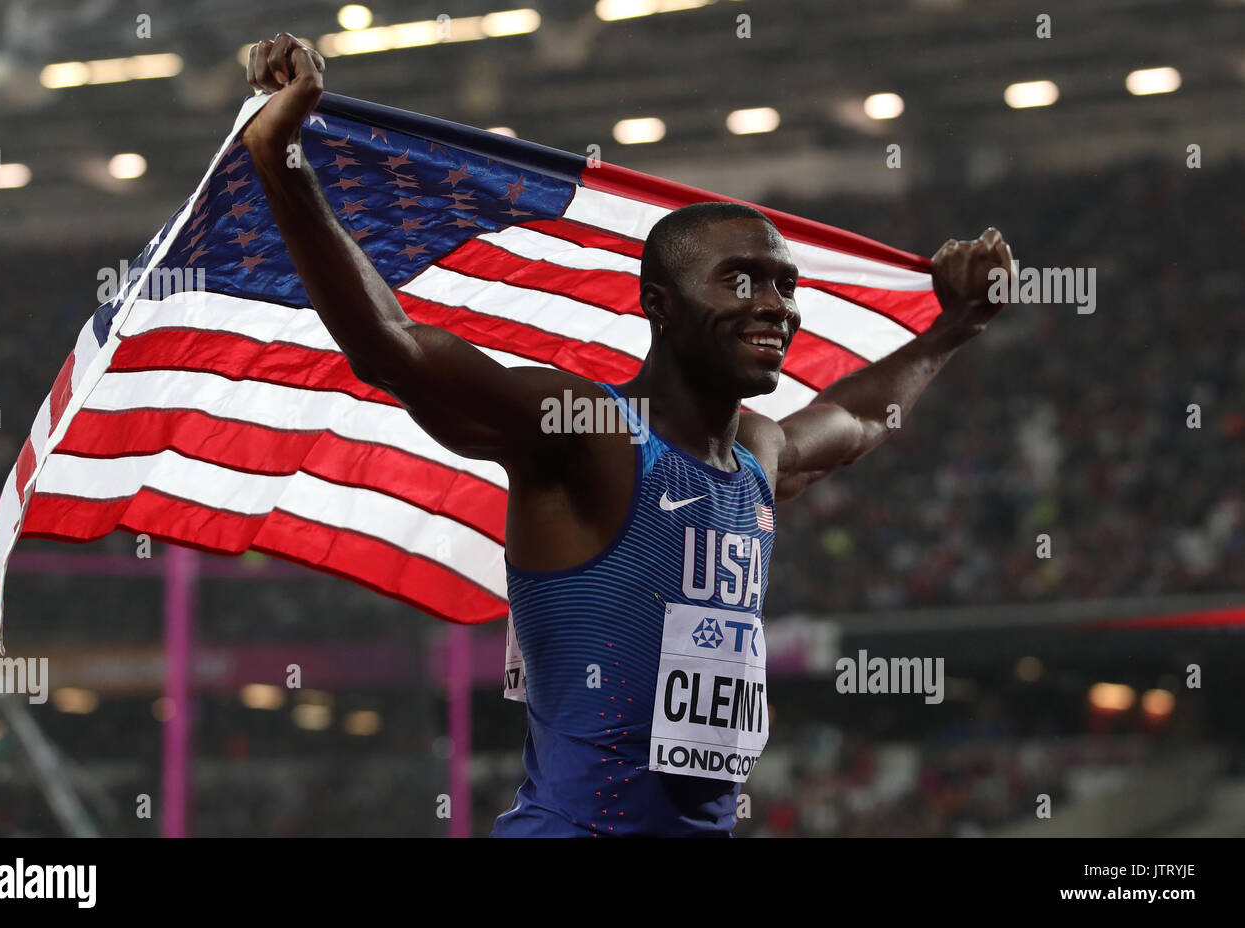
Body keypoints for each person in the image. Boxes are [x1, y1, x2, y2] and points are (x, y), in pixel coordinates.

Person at [241, 33, 1015, 836]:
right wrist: (281, 157)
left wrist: (954, 328)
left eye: (785, 285)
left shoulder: (756, 452)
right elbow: (395, 349)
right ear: (660, 305)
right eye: (740, 280)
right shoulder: (592, 437)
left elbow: (855, 420)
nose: (775, 305)